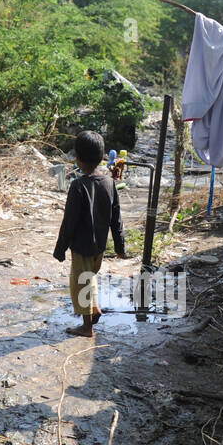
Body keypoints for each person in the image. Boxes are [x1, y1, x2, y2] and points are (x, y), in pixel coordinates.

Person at [53, 130, 127, 337]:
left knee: (80, 284)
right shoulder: (110, 183)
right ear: (102, 157)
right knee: (89, 278)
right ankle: (95, 308)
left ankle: (87, 327)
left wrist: (60, 249)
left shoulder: (77, 186)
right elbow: (116, 219)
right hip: (99, 248)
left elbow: (69, 222)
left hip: (82, 247)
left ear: (77, 158)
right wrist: (120, 247)